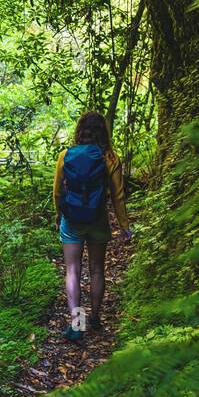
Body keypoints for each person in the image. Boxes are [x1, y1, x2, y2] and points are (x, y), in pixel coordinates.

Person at [53, 111, 132, 341]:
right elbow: (118, 196)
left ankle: (77, 323)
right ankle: (95, 318)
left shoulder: (65, 155)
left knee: (72, 271)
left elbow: (58, 192)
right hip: (98, 219)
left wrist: (59, 216)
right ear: (103, 132)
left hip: (72, 220)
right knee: (97, 269)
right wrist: (124, 226)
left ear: (80, 131)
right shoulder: (110, 158)